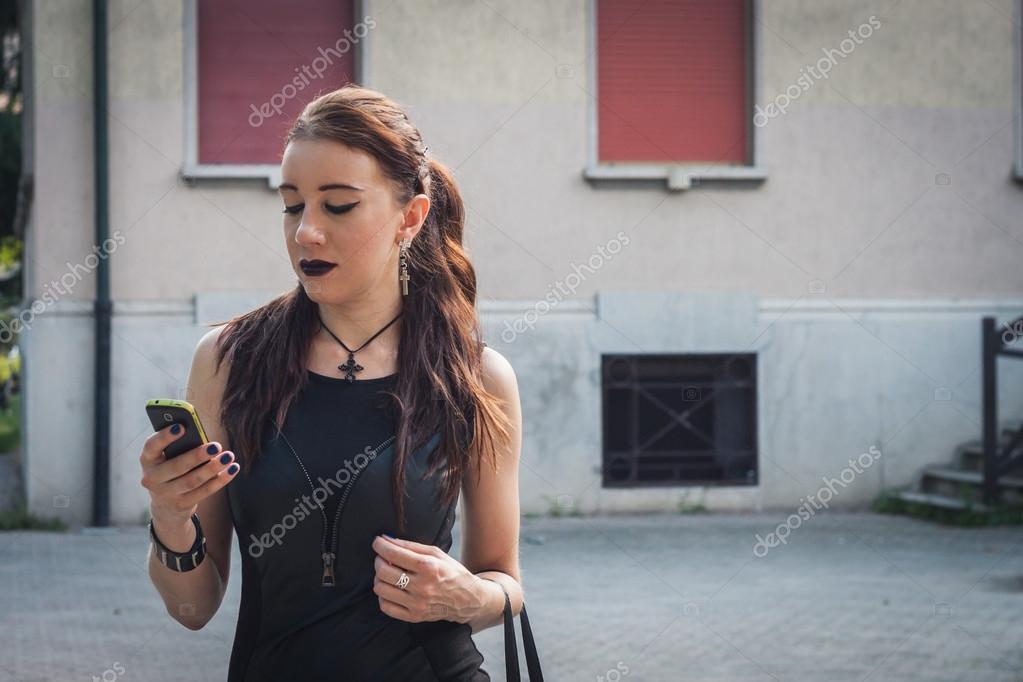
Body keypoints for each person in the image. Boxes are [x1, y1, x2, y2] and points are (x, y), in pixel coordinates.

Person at [140, 85, 526, 681]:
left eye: (338, 206)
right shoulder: (227, 361)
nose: (306, 233)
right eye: (293, 205)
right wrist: (170, 515)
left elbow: (504, 580)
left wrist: (472, 597)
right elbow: (193, 609)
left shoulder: (475, 376)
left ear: (411, 218)